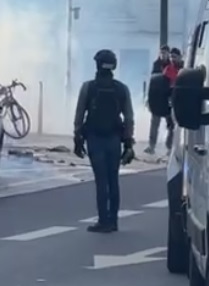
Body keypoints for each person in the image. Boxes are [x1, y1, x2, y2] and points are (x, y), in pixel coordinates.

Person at [73, 49, 135, 233]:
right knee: (113, 179)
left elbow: (79, 116)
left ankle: (103, 220)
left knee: (101, 180)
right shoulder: (121, 88)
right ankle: (113, 221)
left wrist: (77, 138)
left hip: (94, 138)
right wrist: (129, 143)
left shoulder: (88, 87)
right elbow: (129, 118)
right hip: (114, 139)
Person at [145, 45, 170, 155]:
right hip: (157, 98)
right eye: (161, 53)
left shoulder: (171, 65)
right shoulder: (156, 64)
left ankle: (169, 147)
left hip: (168, 98)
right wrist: (148, 99)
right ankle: (151, 146)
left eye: (165, 53)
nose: (163, 55)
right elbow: (152, 82)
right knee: (154, 124)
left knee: (171, 124)